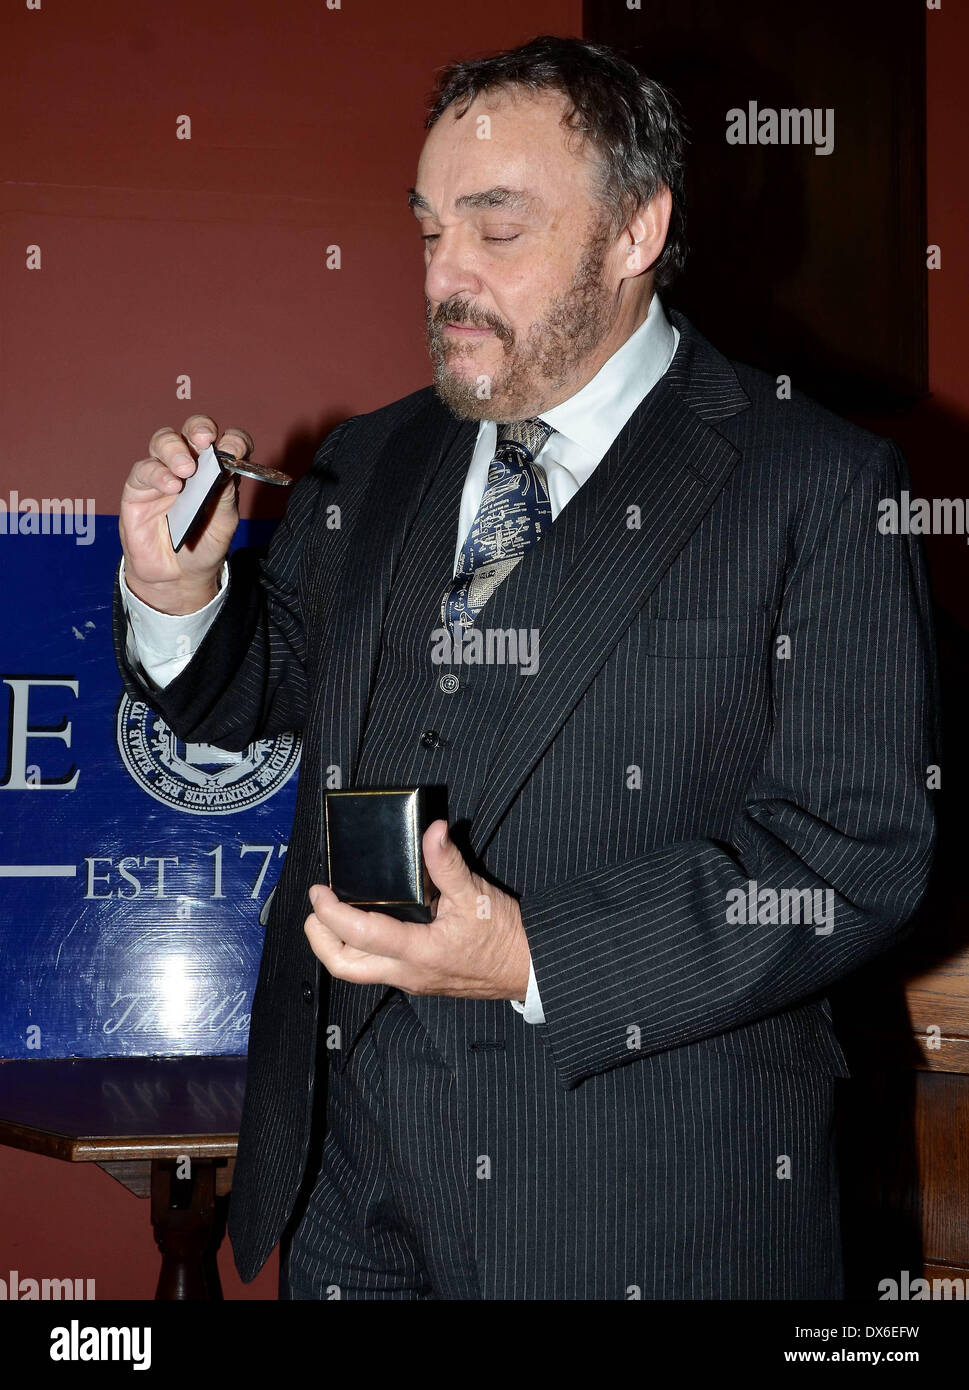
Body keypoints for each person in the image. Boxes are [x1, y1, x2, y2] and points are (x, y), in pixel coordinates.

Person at [112, 34, 937, 1299]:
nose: (446, 277)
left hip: (643, 1199)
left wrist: (534, 953)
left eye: (496, 229)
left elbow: (854, 850)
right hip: (346, 1179)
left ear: (634, 229)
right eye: (429, 229)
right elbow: (270, 692)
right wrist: (179, 595)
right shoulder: (376, 456)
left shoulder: (817, 482)